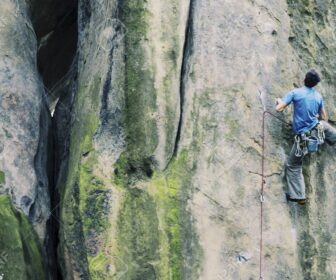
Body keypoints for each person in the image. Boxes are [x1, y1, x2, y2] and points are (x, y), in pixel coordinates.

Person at [275, 69, 336, 205]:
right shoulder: (318, 96)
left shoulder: (295, 93)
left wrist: (279, 101)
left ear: (304, 79)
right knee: (325, 127)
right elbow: (323, 117)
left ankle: (299, 196)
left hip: (304, 137)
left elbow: (278, 108)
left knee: (293, 165)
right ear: (315, 84)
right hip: (319, 129)